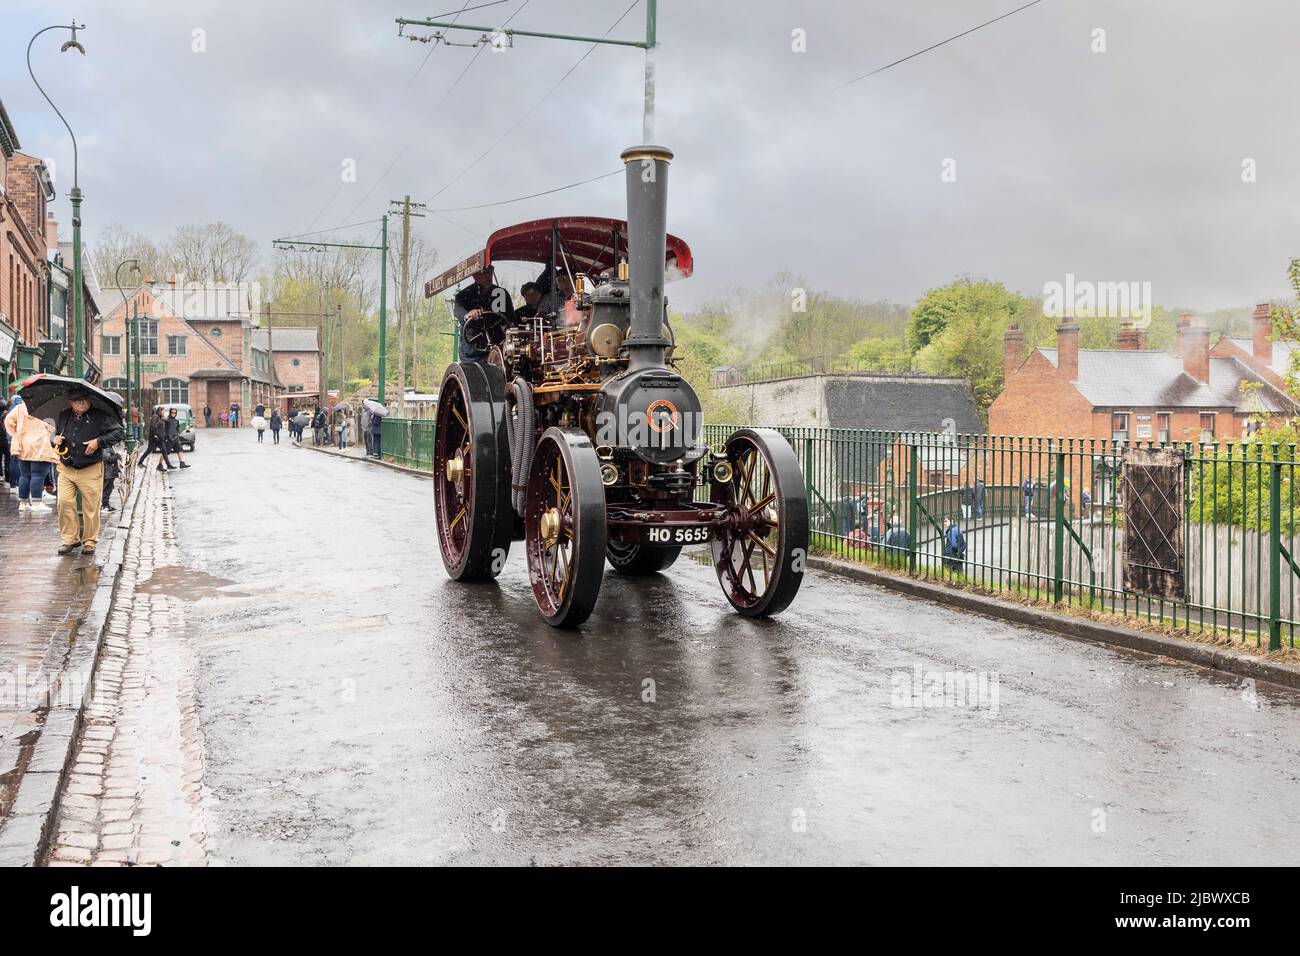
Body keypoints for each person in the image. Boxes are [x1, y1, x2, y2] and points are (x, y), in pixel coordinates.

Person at [52, 389, 125, 556]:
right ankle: (70, 539)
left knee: (91, 507)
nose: (82, 402)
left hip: (90, 468)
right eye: (77, 400)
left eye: (84, 399)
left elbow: (118, 432)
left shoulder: (100, 416)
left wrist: (98, 441)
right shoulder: (64, 415)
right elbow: (57, 435)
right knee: (63, 502)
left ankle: (90, 542)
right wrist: (54, 439)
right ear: (71, 402)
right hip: (67, 467)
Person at [4, 396, 59, 513]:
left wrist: (15, 433)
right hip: (39, 445)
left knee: (24, 475)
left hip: (23, 445)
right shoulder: (47, 408)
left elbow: (8, 420)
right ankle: (36, 502)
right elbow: (51, 425)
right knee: (38, 475)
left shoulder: (20, 407)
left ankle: (23, 503)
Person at [453, 266, 514, 363]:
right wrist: (468, 315)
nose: (488, 276)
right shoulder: (464, 295)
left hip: (497, 349)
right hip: (472, 353)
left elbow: (510, 319)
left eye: (490, 272)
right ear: (474, 276)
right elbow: (459, 312)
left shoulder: (502, 294)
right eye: (484, 273)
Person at [101, 443, 120, 513]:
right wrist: (117, 456)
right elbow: (108, 459)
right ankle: (104, 506)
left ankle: (106, 504)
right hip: (107, 473)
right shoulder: (105, 447)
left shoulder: (109, 446)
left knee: (109, 489)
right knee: (106, 490)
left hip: (110, 473)